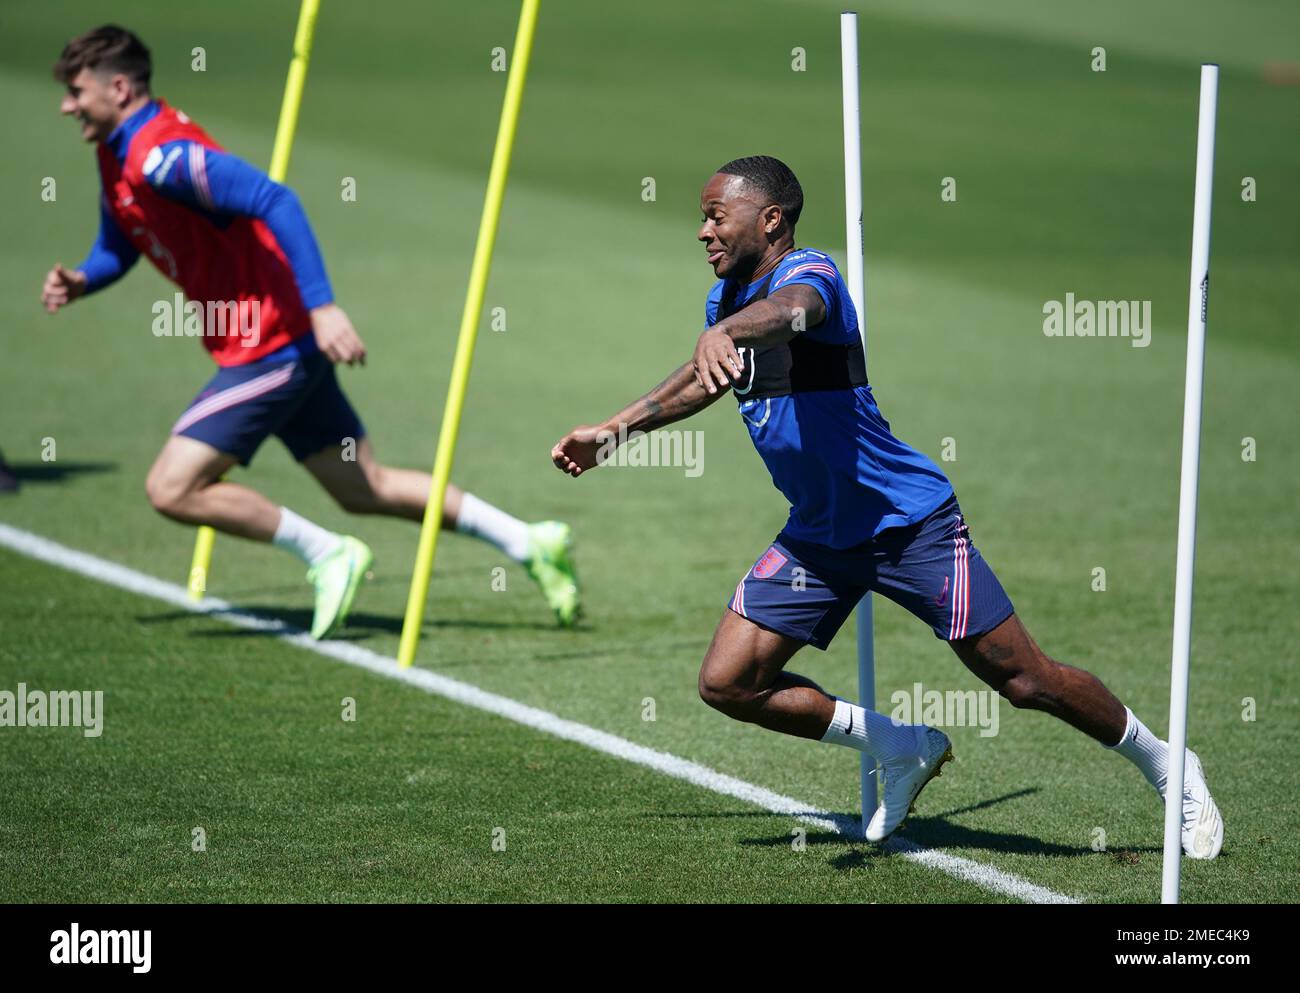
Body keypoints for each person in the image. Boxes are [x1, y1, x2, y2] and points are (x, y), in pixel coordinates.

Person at [551, 155, 1222, 857]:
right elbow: (701, 379)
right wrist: (615, 431)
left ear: (770, 220)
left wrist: (728, 332)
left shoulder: (812, 277)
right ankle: (902, 747)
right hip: (819, 537)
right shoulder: (724, 305)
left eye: (716, 215)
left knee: (1024, 680)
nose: (702, 231)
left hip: (909, 525)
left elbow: (794, 314)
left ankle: (1169, 763)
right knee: (729, 683)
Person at [42, 25, 580, 638]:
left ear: (118, 87)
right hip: (271, 340)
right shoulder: (114, 152)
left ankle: (328, 554)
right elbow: (121, 243)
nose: (66, 105)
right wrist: (85, 278)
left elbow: (276, 200)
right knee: (364, 485)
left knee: (171, 487)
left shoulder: (161, 155)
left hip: (273, 342)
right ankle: (529, 540)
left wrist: (322, 308)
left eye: (76, 91)